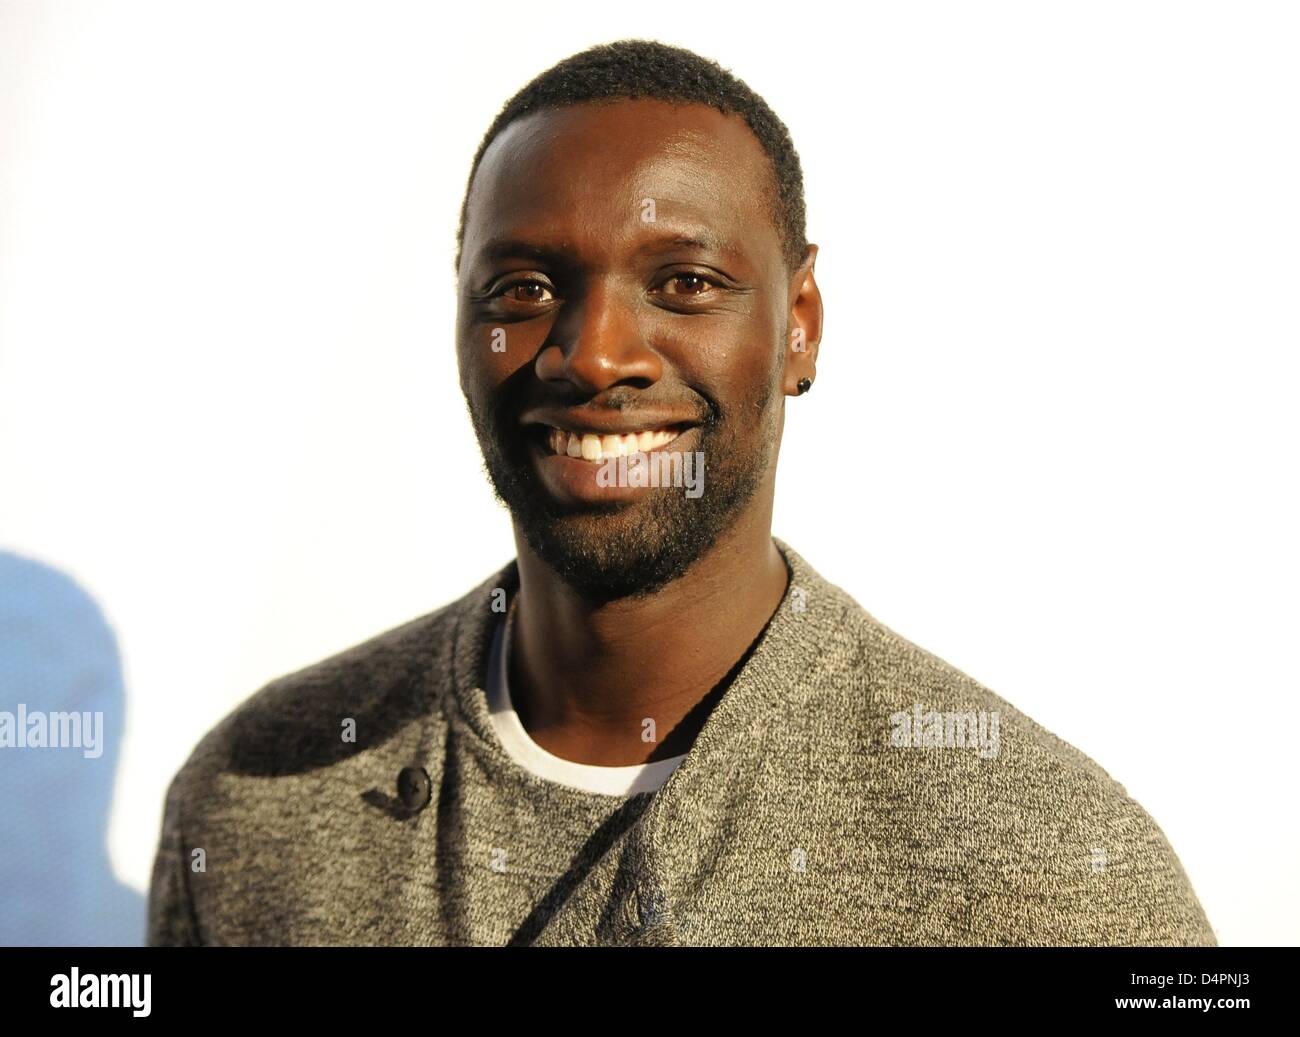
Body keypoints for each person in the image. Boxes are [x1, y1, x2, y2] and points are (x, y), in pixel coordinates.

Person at [147, 39, 1214, 946]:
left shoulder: (1045, 873)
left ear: (799, 324)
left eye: (684, 283)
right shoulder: (257, 798)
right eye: (523, 287)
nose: (594, 353)